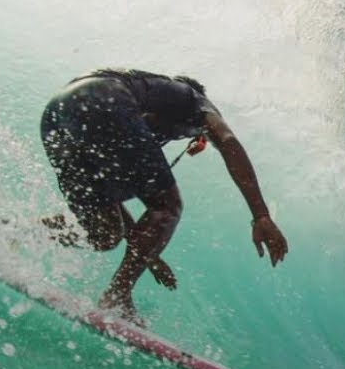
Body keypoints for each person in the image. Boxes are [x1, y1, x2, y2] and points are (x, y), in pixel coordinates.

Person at [40, 68, 287, 323]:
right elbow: (227, 141)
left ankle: (27, 229)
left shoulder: (146, 106)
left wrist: (150, 256)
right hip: (104, 95)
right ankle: (117, 295)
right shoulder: (195, 99)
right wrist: (261, 215)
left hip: (56, 116)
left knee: (105, 234)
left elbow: (111, 198)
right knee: (169, 206)